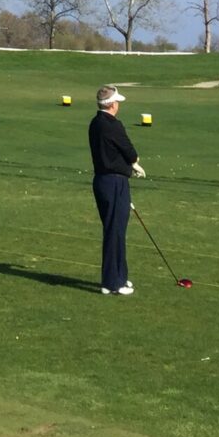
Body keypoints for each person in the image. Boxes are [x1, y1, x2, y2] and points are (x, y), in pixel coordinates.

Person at [88, 84, 146, 296]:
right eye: (117, 102)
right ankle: (112, 283)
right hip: (114, 183)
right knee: (115, 231)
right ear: (112, 104)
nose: (118, 105)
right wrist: (133, 163)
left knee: (116, 230)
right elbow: (131, 153)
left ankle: (119, 277)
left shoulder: (95, 122)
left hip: (104, 181)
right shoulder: (113, 125)